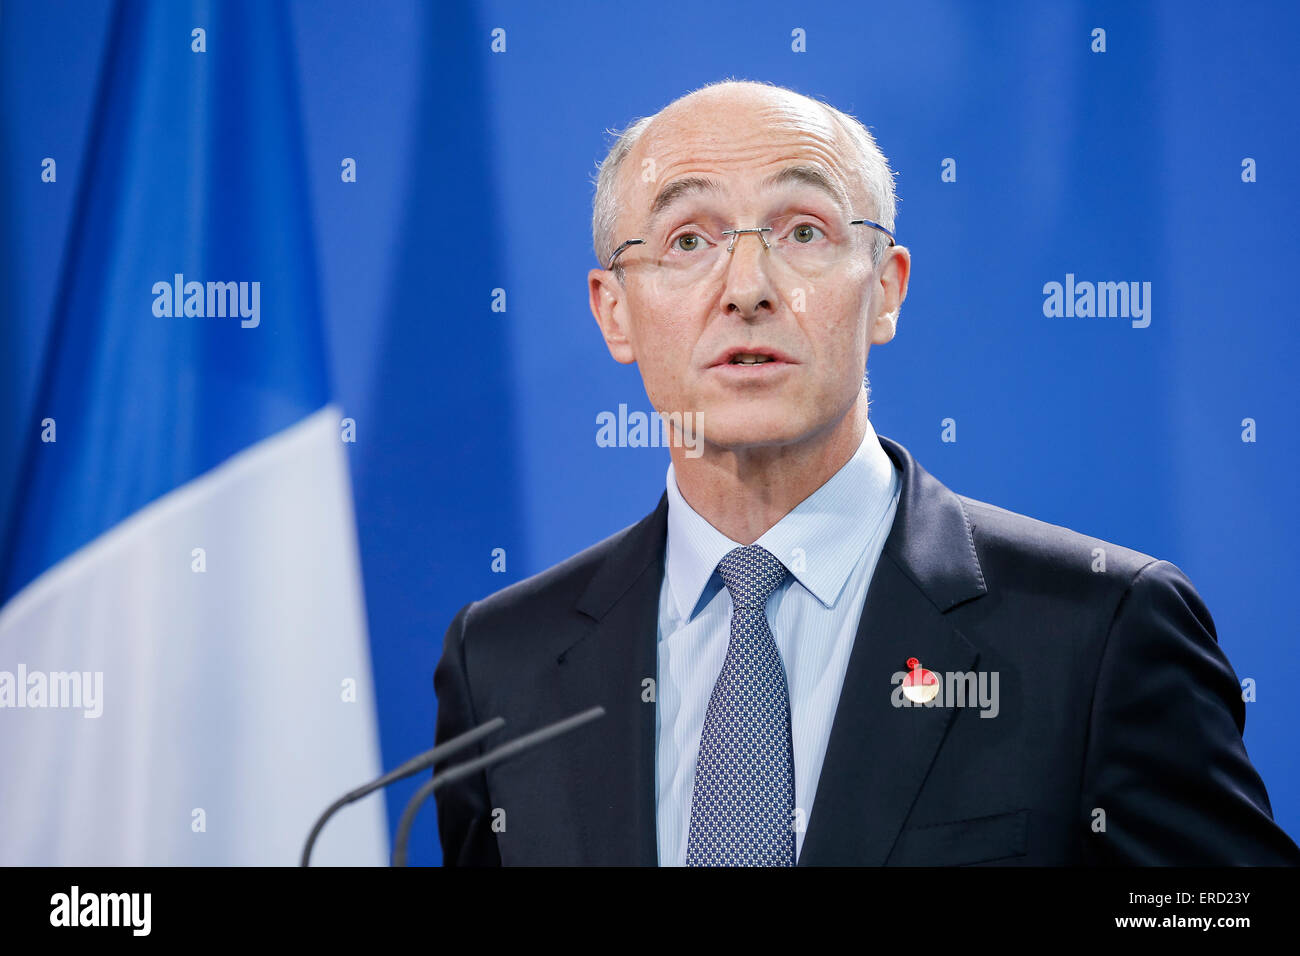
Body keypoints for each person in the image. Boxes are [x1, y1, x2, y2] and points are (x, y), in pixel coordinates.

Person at [433, 79, 1299, 866]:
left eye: (803, 231)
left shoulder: (1099, 628)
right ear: (614, 313)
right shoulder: (503, 663)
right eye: (688, 239)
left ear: (885, 289)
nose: (746, 288)